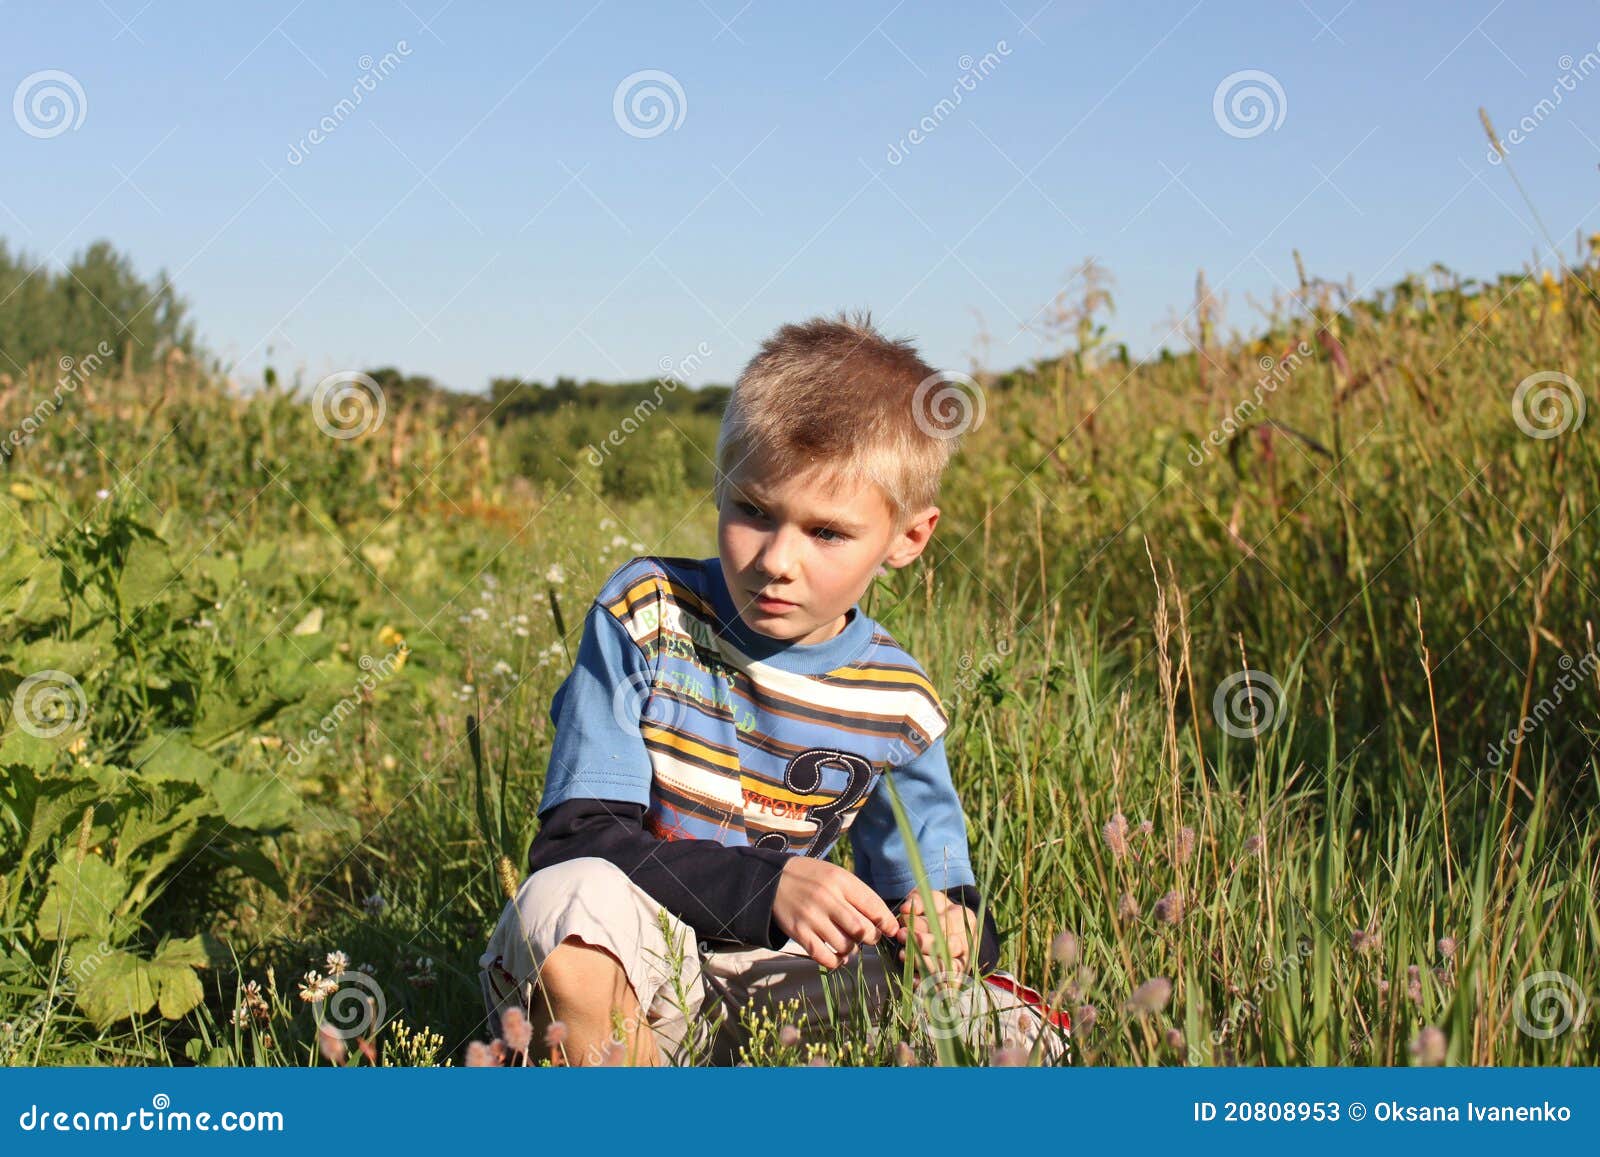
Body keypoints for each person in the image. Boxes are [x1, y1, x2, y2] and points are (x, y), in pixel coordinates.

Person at [478, 311, 1071, 1066]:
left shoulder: (898, 702)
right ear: (721, 483)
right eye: (753, 510)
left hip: (785, 990)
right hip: (641, 979)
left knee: (1003, 1026)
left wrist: (947, 928)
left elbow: (932, 897)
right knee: (563, 907)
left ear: (907, 538)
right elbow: (578, 838)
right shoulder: (648, 615)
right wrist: (771, 887)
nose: (777, 559)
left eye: (826, 532)